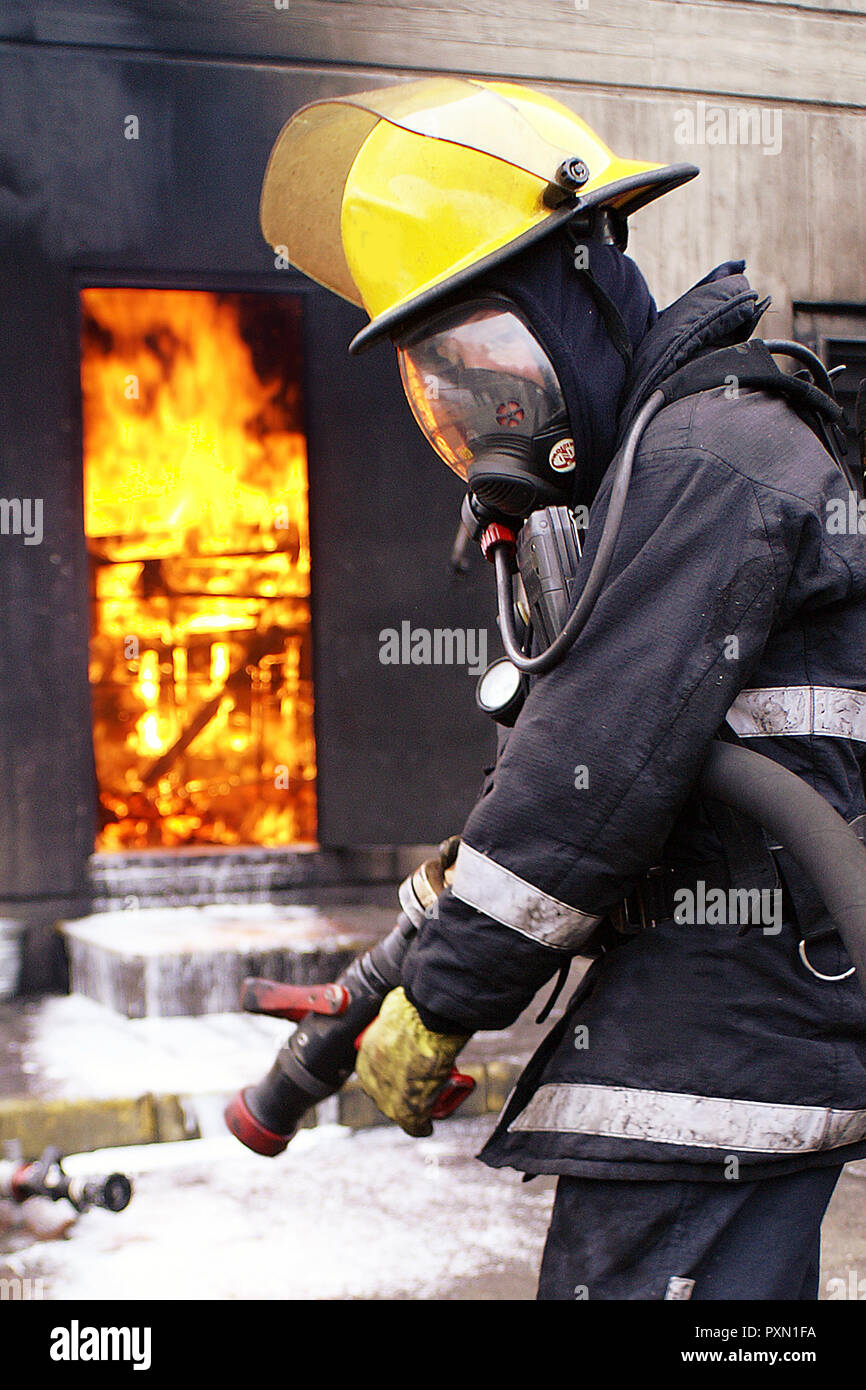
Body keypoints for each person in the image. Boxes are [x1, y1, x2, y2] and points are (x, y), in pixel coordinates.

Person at [260, 76, 866, 1300]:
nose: (480, 413)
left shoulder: (713, 454)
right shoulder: (656, 469)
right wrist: (402, 961)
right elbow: (549, 783)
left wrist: (438, 1001)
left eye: (490, 362)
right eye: (443, 380)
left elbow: (591, 773)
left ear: (582, 292)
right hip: (724, 1008)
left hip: (732, 1032)